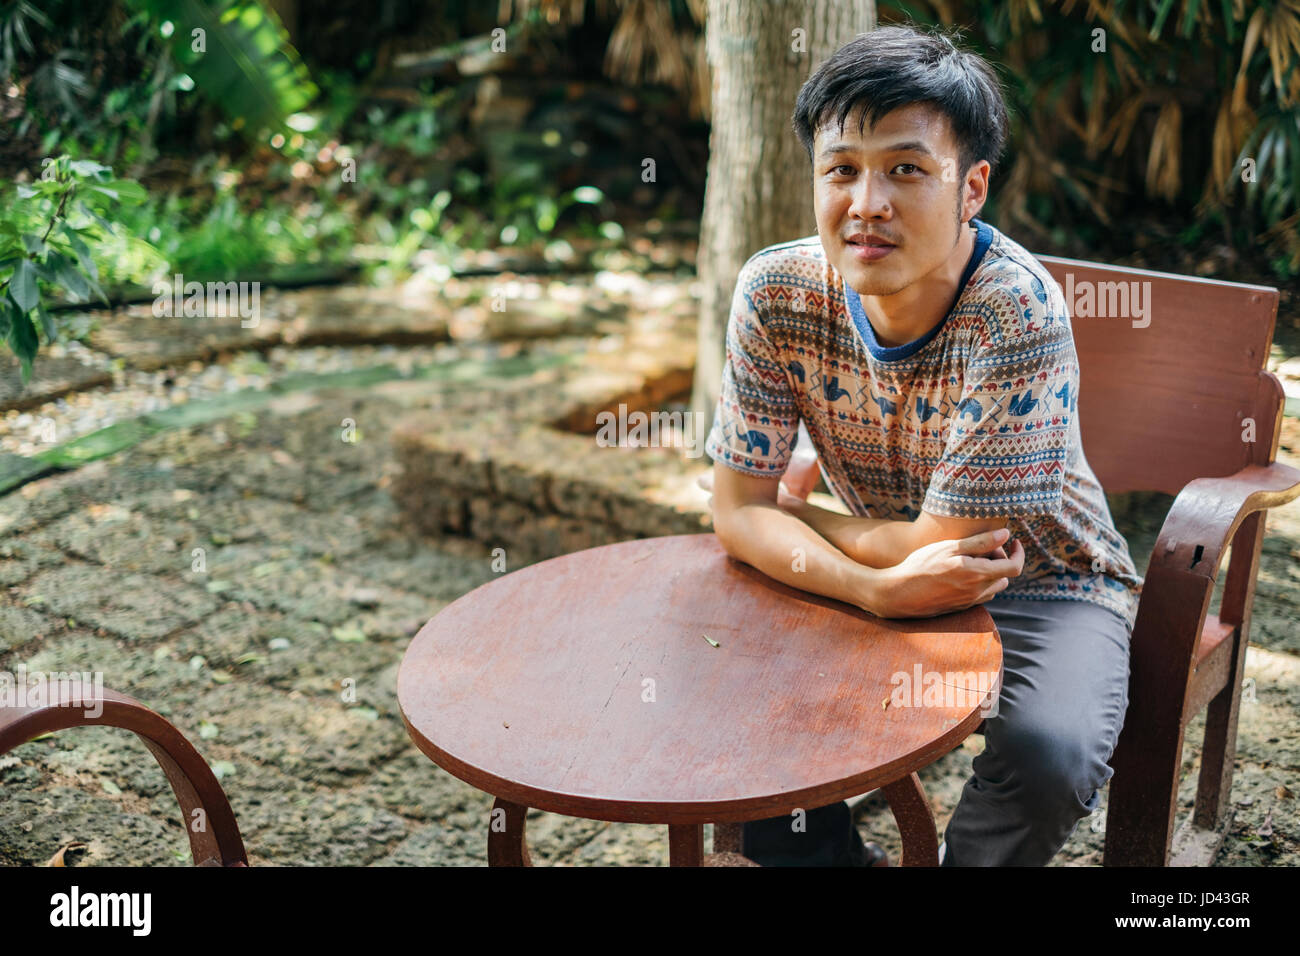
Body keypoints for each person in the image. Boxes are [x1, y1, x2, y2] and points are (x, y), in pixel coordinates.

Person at [699, 24, 1143, 867]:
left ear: (972, 187)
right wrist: (863, 583)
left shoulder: (1015, 311)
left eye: (906, 168)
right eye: (842, 169)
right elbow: (737, 515)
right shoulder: (775, 292)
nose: (867, 201)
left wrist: (791, 515)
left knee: (1049, 754)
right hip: (881, 582)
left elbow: (942, 550)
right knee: (742, 702)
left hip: (1044, 582)